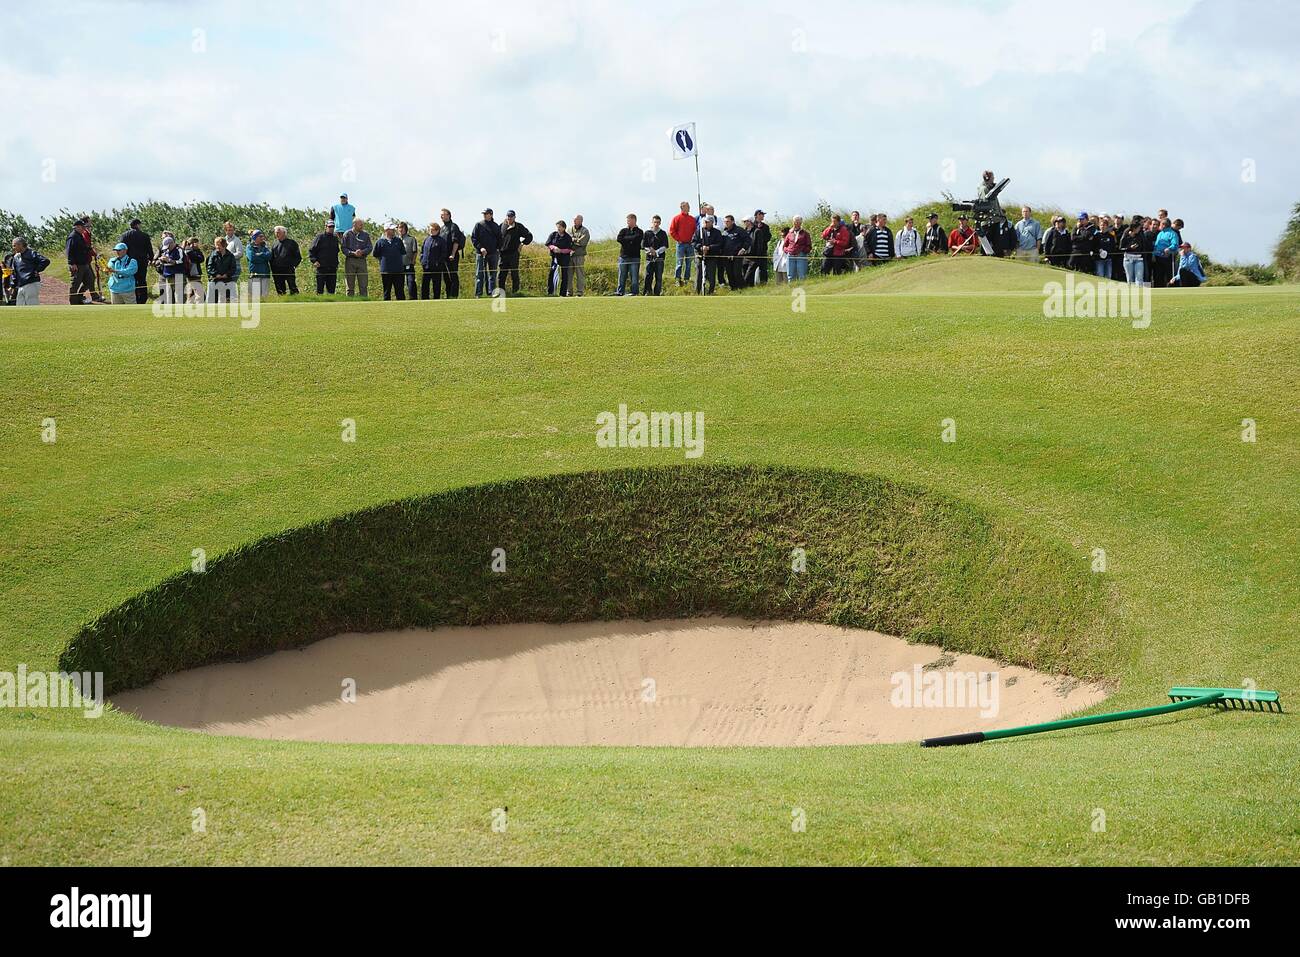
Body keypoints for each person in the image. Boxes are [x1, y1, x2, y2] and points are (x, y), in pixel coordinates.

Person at [496, 211, 533, 295]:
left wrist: (522, 243)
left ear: (514, 217)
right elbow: (496, 238)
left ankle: (515, 293)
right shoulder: (501, 226)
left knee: (514, 274)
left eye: (511, 216)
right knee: (501, 275)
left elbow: (529, 236)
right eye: (508, 216)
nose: (509, 218)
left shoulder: (518, 226)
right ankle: (501, 293)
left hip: (514, 254)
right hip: (503, 254)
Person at [119, 218, 154, 303]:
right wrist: (151, 259)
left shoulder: (124, 236)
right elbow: (149, 249)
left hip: (129, 261)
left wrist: (122, 260)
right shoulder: (145, 235)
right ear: (137, 225)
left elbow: (121, 248)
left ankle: (132, 298)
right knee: (142, 280)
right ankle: (143, 299)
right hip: (142, 261)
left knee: (131, 280)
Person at [5, 237, 49, 305]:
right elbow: (15, 272)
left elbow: (45, 261)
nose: (13, 247)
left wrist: (37, 270)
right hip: (21, 285)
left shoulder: (31, 253)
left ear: (20, 245)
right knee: (20, 306)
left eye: (14, 245)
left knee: (32, 306)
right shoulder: (16, 257)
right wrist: (12, 286)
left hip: (31, 283)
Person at [471, 208, 502, 297]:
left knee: (493, 274)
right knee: (479, 274)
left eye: (486, 213)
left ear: (491, 215)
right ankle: (478, 293)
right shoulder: (478, 225)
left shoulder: (496, 226)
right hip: (481, 253)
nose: (484, 215)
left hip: (493, 253)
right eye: (484, 213)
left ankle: (492, 292)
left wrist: (497, 249)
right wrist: (480, 248)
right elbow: (474, 238)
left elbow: (500, 239)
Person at [373, 223, 406, 300]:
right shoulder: (380, 242)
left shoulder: (398, 241)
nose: (394, 230)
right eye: (391, 229)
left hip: (398, 270)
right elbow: (376, 254)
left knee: (400, 292)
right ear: (386, 230)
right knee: (386, 292)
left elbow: (402, 252)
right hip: (386, 271)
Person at [66, 218, 96, 304]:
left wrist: (91, 250)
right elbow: (69, 251)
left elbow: (83, 247)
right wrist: (72, 263)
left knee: (90, 280)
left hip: (84, 263)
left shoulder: (79, 236)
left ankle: (79, 297)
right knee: (75, 284)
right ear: (77, 227)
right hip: (77, 265)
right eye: (83, 227)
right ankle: (74, 302)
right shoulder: (72, 237)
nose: (84, 228)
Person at [341, 218, 372, 296]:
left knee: (363, 284)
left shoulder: (365, 235)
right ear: (354, 224)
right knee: (350, 284)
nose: (362, 226)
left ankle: (364, 301)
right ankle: (349, 302)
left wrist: (362, 252)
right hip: (350, 260)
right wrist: (353, 253)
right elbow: (343, 248)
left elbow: (369, 247)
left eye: (362, 225)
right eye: (360, 225)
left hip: (362, 260)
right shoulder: (347, 234)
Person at [419, 222, 450, 300]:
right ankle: (424, 299)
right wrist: (422, 260)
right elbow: (422, 251)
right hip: (426, 267)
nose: (430, 231)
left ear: (437, 230)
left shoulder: (441, 241)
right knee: (425, 285)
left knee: (436, 285)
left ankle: (436, 299)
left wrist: (438, 263)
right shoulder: (427, 239)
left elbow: (444, 253)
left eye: (432, 230)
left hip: (436, 268)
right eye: (430, 229)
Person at [308, 221, 341, 294]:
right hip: (321, 267)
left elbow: (337, 252)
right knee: (320, 290)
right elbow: (311, 250)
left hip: (332, 267)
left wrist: (336, 263)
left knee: (331, 291)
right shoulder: (320, 237)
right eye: (329, 227)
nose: (331, 228)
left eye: (333, 227)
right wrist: (314, 261)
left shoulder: (335, 238)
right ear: (325, 227)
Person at [614, 214, 643, 295]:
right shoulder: (623, 230)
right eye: (627, 221)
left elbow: (637, 238)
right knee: (622, 276)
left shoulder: (639, 231)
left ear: (634, 220)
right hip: (623, 257)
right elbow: (619, 239)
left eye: (629, 220)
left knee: (634, 277)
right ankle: (620, 292)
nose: (627, 222)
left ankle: (634, 292)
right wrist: (631, 239)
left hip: (635, 257)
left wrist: (626, 239)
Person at [670, 201, 697, 286]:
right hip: (681, 244)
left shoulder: (692, 219)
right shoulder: (676, 218)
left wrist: (693, 240)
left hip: (690, 244)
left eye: (689, 206)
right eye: (687, 206)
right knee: (679, 263)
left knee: (689, 263)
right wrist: (678, 239)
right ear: (682, 207)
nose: (689, 207)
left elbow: (695, 231)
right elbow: (672, 231)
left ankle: (686, 280)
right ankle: (677, 279)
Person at [544, 221, 574, 297]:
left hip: (565, 258)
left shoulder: (568, 237)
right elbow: (548, 244)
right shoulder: (553, 234)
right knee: (552, 273)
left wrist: (561, 250)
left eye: (560, 227)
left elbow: (569, 249)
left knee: (564, 275)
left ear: (564, 228)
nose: (558, 229)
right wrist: (553, 247)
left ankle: (563, 293)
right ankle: (550, 292)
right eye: (557, 227)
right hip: (555, 257)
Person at [695, 215, 724, 294]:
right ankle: (697, 292)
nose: (705, 223)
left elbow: (719, 244)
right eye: (705, 222)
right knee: (699, 275)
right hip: (700, 256)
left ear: (712, 223)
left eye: (707, 222)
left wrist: (709, 248)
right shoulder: (699, 231)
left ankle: (711, 292)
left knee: (711, 276)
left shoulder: (717, 232)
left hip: (712, 257)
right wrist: (701, 247)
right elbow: (694, 242)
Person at [439, 209, 464, 298]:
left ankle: (454, 296)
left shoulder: (453, 226)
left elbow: (455, 241)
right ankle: (448, 295)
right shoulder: (441, 228)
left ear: (449, 215)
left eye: (443, 214)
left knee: (453, 276)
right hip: (443, 257)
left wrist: (453, 254)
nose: (442, 216)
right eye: (441, 215)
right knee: (446, 277)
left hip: (452, 256)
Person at [205, 236, 239, 303]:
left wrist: (226, 275)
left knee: (227, 300)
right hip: (214, 280)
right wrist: (216, 274)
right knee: (212, 301)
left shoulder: (230, 256)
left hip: (227, 280)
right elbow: (209, 267)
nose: (217, 247)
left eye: (218, 245)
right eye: (216, 245)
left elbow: (233, 268)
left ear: (223, 245)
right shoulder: (212, 255)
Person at [270, 226, 302, 295]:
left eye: (278, 232)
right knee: (280, 289)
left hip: (288, 269)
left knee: (292, 287)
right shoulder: (274, 244)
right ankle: (282, 300)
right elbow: (272, 258)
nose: (276, 234)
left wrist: (294, 266)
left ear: (284, 233)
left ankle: (296, 299)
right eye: (275, 233)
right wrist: (273, 269)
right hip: (277, 270)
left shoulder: (292, 243)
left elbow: (298, 257)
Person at [642, 215, 668, 295]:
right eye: (654, 222)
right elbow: (643, 246)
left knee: (658, 277)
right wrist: (650, 251)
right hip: (649, 258)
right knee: (648, 276)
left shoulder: (663, 233)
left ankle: (657, 294)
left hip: (659, 259)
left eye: (658, 222)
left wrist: (656, 252)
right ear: (652, 222)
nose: (656, 224)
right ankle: (648, 292)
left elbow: (665, 246)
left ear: (660, 223)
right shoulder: (647, 233)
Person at [721, 215, 750, 288]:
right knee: (729, 273)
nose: (726, 223)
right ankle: (733, 289)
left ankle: (742, 288)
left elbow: (748, 240)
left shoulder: (739, 230)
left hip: (737, 255)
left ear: (733, 221)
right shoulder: (724, 232)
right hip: (727, 256)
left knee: (737, 273)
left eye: (728, 221)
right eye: (725, 222)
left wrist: (743, 249)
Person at [153, 235, 184, 303]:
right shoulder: (166, 251)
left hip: (177, 275)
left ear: (172, 243)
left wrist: (169, 260)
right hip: (167, 276)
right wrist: (161, 260)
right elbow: (164, 261)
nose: (167, 248)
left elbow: (181, 261)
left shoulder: (179, 250)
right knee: (169, 298)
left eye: (168, 246)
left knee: (179, 297)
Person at [745, 210, 772, 286]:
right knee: (750, 269)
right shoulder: (751, 225)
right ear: (757, 215)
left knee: (763, 268)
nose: (763, 216)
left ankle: (764, 284)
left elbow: (768, 237)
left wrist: (761, 237)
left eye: (763, 214)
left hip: (762, 250)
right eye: (762, 214)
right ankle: (750, 285)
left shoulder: (766, 226)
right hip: (752, 251)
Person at [1119, 215, 1148, 285]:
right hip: (1128, 259)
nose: (1142, 224)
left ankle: (1139, 295)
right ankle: (1131, 295)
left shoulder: (1141, 232)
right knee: (1130, 280)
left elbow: (1143, 244)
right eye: (1141, 222)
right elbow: (1121, 247)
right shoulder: (1126, 232)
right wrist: (1130, 245)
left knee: (1139, 278)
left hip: (1139, 258)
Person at [1151, 218, 1180, 288]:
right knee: (1158, 276)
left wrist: (1169, 248)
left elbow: (1175, 244)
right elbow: (1156, 246)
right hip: (1158, 258)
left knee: (1168, 275)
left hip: (1167, 258)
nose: (1159, 225)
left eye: (1160, 224)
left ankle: (1170, 290)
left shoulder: (1172, 234)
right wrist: (1153, 255)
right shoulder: (1160, 233)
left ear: (1164, 225)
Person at [245, 229, 272, 299]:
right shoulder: (249, 247)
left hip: (265, 273)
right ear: (254, 237)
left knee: (265, 296)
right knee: (255, 297)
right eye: (260, 236)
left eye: (262, 236)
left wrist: (260, 254)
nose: (262, 238)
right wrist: (263, 256)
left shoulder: (265, 247)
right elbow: (252, 258)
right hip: (254, 273)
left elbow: (269, 256)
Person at [783, 216, 812, 281]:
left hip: (801, 256)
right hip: (790, 256)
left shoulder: (805, 233)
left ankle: (803, 290)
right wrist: (788, 251)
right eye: (795, 221)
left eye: (798, 221)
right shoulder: (789, 233)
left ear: (801, 223)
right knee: (790, 276)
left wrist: (802, 251)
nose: (796, 223)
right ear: (793, 222)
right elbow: (785, 245)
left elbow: (809, 245)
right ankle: (791, 289)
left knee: (802, 276)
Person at [569, 214, 590, 296]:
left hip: (579, 255)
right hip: (570, 255)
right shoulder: (569, 229)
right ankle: (569, 292)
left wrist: (573, 240)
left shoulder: (585, 231)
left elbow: (582, 242)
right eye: (574, 219)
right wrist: (576, 240)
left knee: (580, 274)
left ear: (581, 221)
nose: (574, 221)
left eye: (576, 219)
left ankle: (580, 292)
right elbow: (567, 240)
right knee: (569, 274)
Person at [397, 222, 419, 300]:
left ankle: (413, 298)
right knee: (399, 284)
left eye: (402, 228)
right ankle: (401, 299)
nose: (401, 229)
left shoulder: (411, 239)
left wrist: (413, 261)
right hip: (398, 266)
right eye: (399, 228)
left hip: (409, 264)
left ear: (406, 229)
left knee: (411, 282)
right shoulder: (396, 239)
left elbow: (415, 251)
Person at [181, 237, 205, 301]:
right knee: (200, 294)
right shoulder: (188, 251)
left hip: (192, 274)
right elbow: (199, 259)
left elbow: (202, 259)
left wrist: (197, 250)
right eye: (196, 243)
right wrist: (195, 250)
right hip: (193, 273)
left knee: (191, 294)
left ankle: (190, 306)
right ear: (192, 243)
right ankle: (199, 305)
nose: (197, 245)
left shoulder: (193, 251)